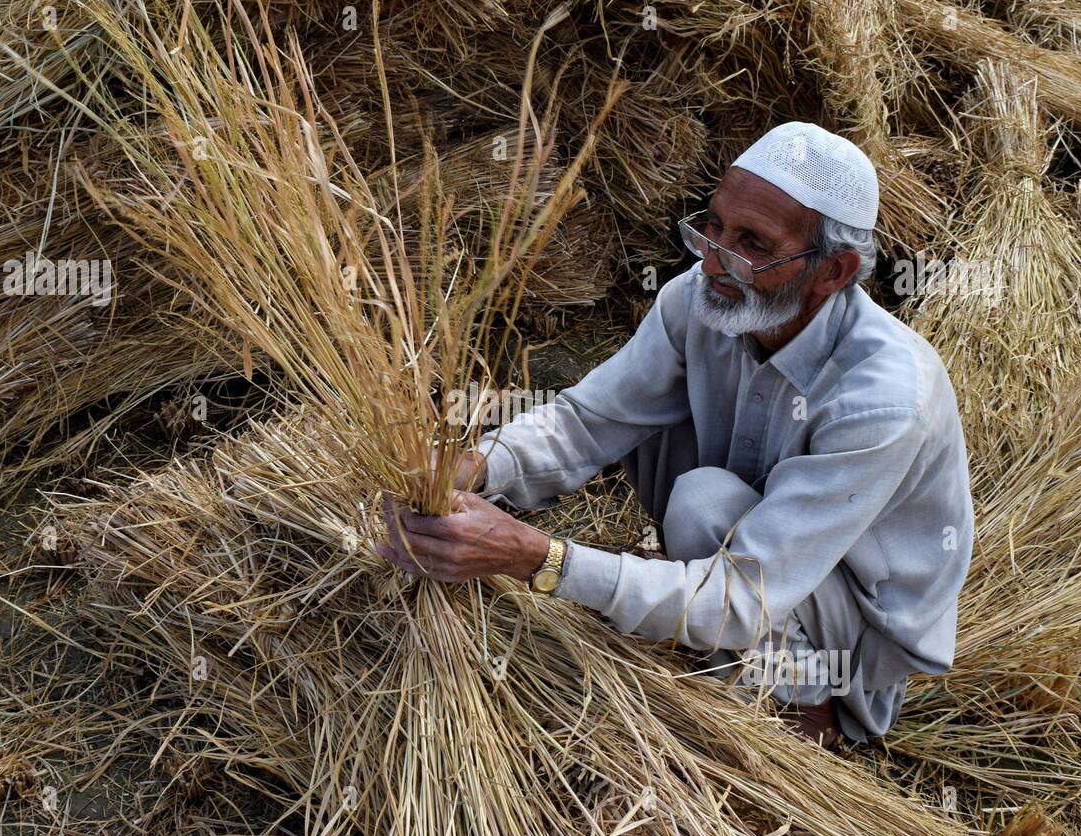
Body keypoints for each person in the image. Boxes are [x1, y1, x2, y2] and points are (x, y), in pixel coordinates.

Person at [377, 122, 974, 750]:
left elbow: (744, 596)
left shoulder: (884, 398)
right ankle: (693, 608)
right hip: (753, 545)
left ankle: (809, 724)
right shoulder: (701, 299)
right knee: (656, 434)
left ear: (833, 271)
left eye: (751, 244)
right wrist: (472, 468)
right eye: (712, 227)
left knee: (702, 502)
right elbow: (588, 421)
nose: (713, 260)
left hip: (854, 635)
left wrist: (537, 559)